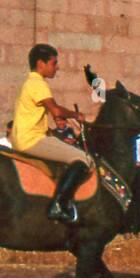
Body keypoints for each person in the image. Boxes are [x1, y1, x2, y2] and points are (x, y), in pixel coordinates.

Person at [11, 44, 90, 223]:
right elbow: (56, 111)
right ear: (41, 64)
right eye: (54, 63)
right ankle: (59, 205)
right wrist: (76, 115)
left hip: (24, 137)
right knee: (84, 159)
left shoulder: (31, 83)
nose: (57, 67)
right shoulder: (38, 84)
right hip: (31, 139)